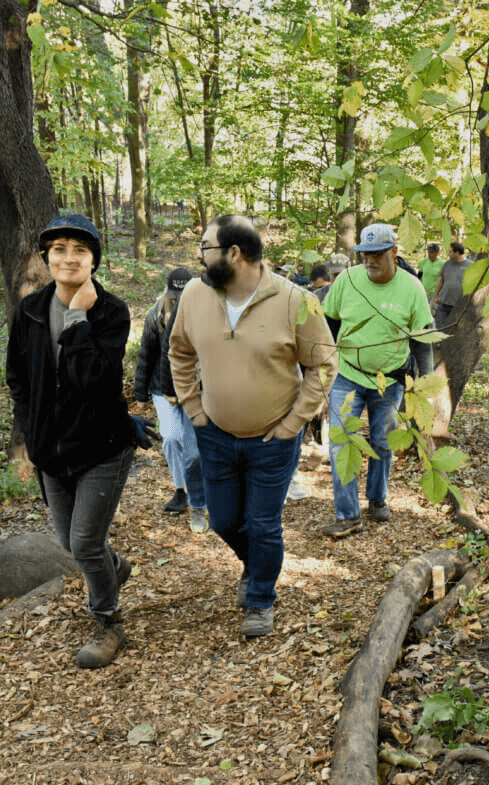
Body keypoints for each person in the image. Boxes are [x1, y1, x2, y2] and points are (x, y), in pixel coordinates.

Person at [169, 214, 337, 638]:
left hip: (273, 441)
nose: (200, 258)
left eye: (205, 248)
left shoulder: (296, 300)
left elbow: (322, 364)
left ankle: (261, 597)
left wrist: (294, 423)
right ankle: (257, 563)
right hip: (214, 435)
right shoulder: (193, 294)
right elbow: (180, 352)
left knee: (263, 524)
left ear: (233, 254)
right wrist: (193, 408)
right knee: (224, 520)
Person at [6, 213, 158, 669]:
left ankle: (107, 622)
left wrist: (77, 318)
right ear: (46, 257)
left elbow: (95, 380)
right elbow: (17, 377)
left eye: (80, 250)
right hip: (51, 451)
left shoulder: (109, 311)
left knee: (86, 543)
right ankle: (115, 570)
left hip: (102, 446)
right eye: (59, 250)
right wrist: (28, 432)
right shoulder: (30, 310)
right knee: (73, 545)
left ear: (94, 259)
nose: (68, 258)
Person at [321, 222, 433, 538]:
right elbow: (327, 323)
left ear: (394, 252)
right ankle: (347, 515)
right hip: (347, 374)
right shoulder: (347, 281)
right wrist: (325, 366)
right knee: (341, 442)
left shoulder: (412, 288)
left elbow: (423, 340)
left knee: (382, 441)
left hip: (391, 379)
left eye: (377, 255)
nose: (369, 261)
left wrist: (423, 385)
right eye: (364, 255)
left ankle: (377, 497)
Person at [133, 268, 208, 532]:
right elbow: (147, 354)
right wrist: (140, 392)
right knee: (171, 437)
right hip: (160, 388)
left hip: (192, 390)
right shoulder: (156, 315)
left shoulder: (203, 314)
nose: (178, 301)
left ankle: (199, 491)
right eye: (175, 296)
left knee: (194, 448)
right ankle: (181, 489)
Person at [433, 242, 471, 331]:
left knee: (454, 330)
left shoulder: (470, 266)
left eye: (450, 251)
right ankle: (437, 344)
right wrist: (436, 296)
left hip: (459, 305)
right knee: (438, 328)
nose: (448, 254)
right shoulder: (447, 264)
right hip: (444, 302)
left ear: (457, 253)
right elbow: (440, 280)